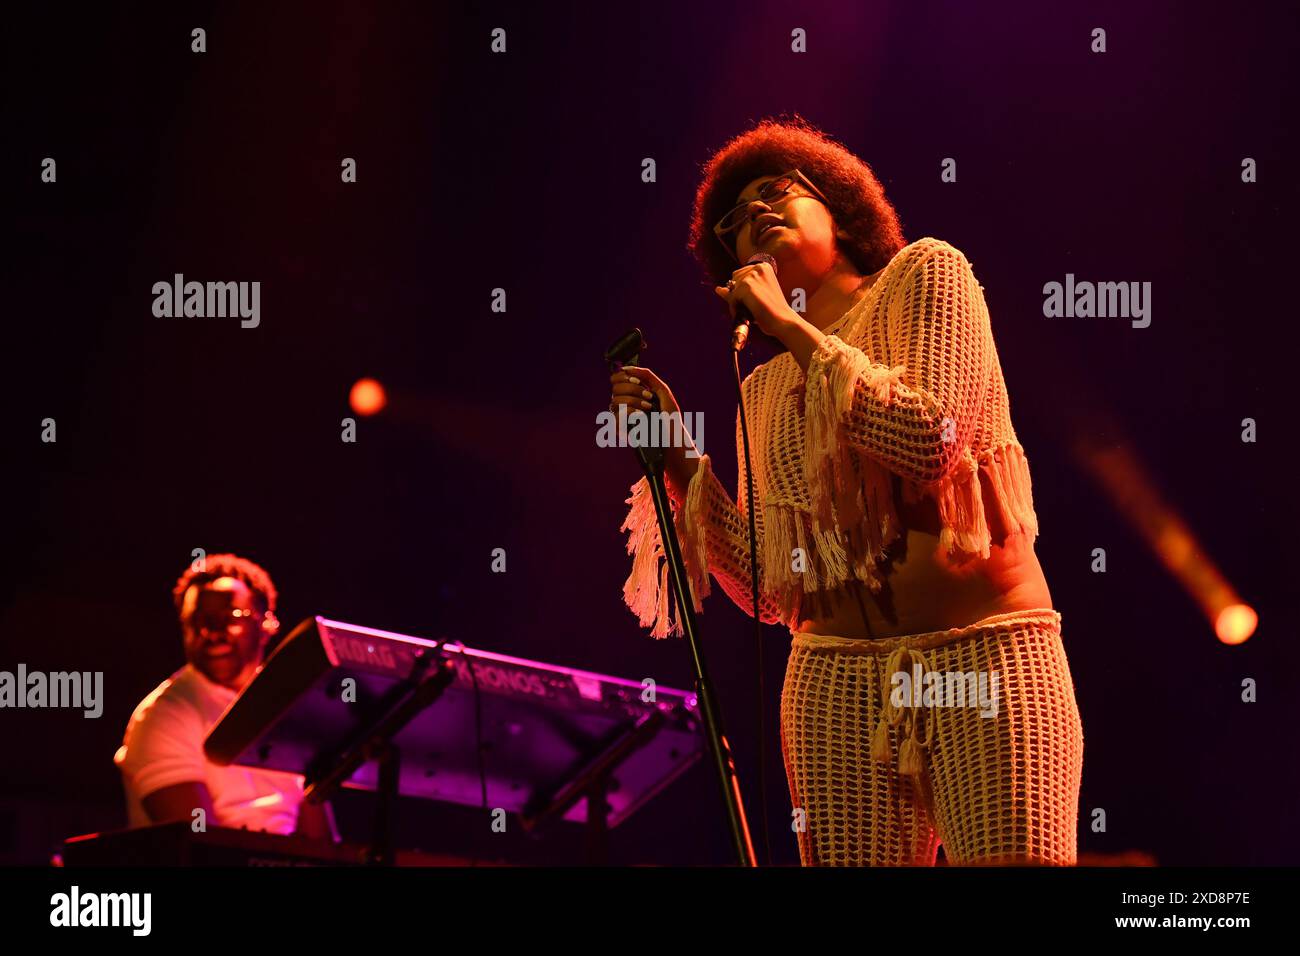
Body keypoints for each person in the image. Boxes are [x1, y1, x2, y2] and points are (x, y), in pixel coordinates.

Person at [611, 115, 1083, 866]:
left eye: (777, 192)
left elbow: (931, 441)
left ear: (838, 206)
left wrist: (791, 329)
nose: (755, 213)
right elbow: (773, 591)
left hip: (986, 663)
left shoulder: (927, 274)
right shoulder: (760, 392)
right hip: (832, 687)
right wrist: (676, 460)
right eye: (733, 220)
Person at [114, 553, 334, 839]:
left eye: (228, 617)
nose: (211, 632)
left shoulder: (291, 711)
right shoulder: (162, 714)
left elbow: (322, 846)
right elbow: (201, 846)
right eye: (198, 620)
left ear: (266, 625)